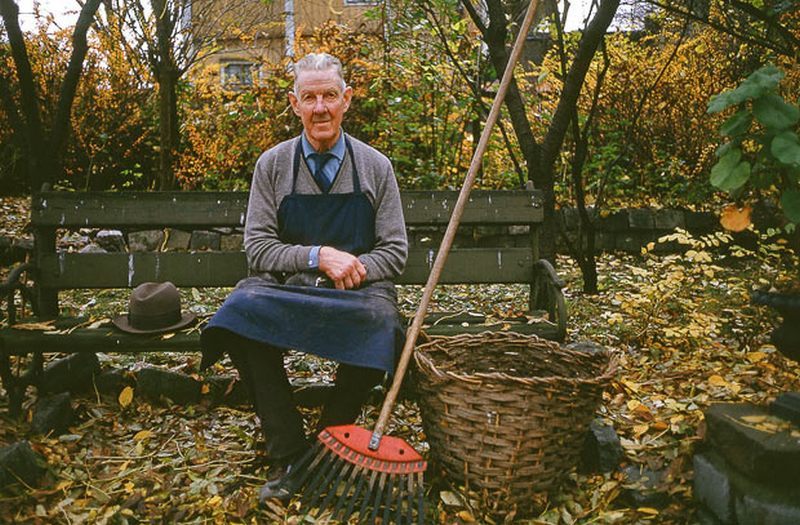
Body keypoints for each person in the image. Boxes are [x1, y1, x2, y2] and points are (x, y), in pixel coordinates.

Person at [199, 52, 408, 503]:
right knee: (239, 312)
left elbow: (395, 251)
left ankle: (330, 441)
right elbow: (257, 249)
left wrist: (354, 268)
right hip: (288, 292)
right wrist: (318, 257)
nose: (320, 108)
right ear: (294, 105)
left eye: (329, 96)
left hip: (355, 297)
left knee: (384, 324)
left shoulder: (376, 167)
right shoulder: (272, 166)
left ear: (346, 100)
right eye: (309, 97)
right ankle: (290, 450)